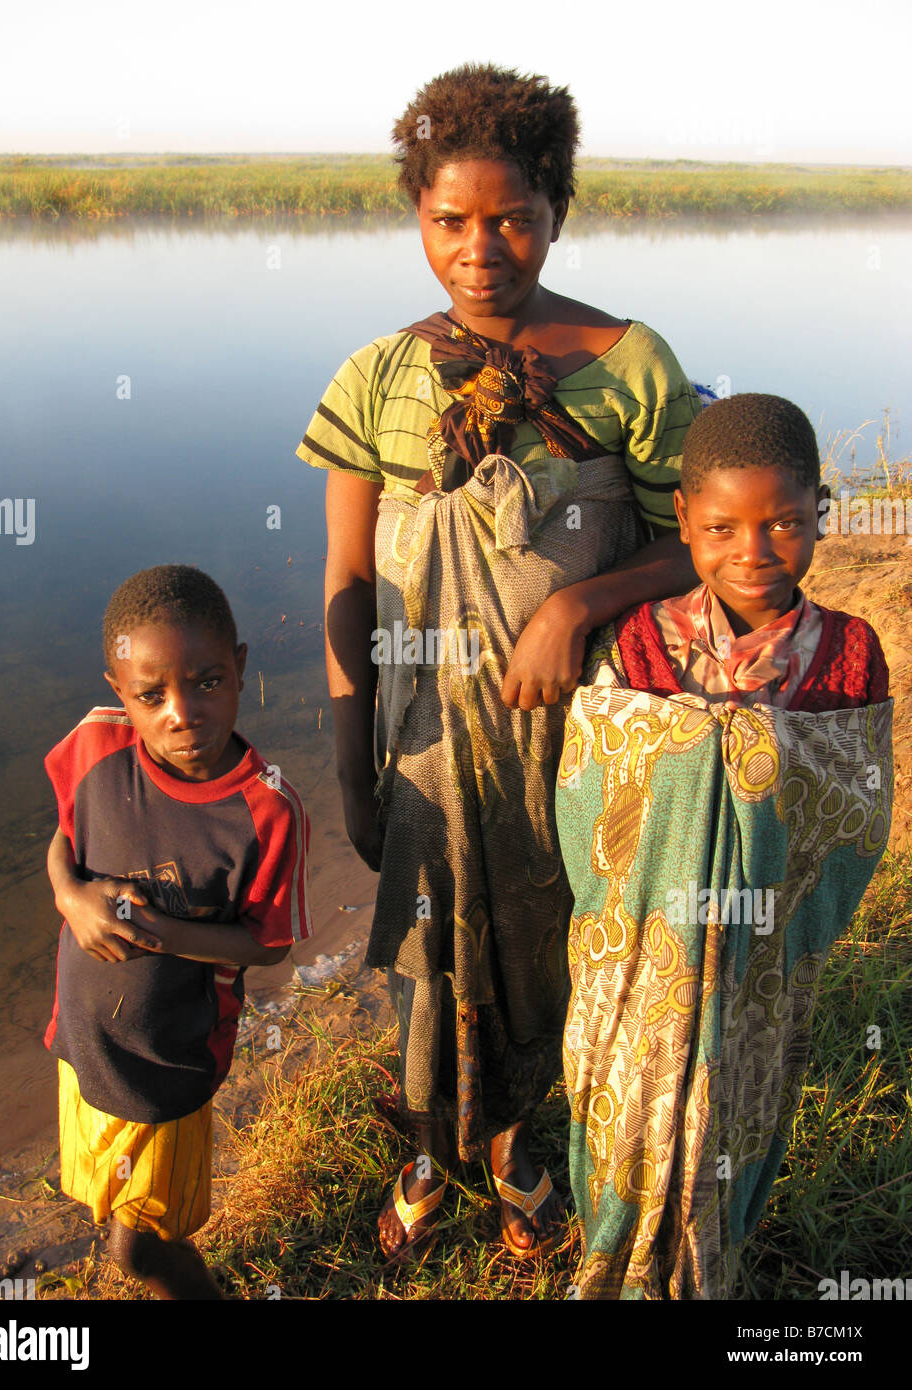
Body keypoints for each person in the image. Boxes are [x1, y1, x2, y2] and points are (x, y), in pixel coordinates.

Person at [298, 63, 703, 1260]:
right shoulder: (377, 378)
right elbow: (347, 581)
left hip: (577, 735)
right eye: (449, 222)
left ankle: (517, 1142)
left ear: (557, 208)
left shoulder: (629, 363)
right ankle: (431, 1146)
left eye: (512, 217)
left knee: (556, 936)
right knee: (429, 943)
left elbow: (700, 542)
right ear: (416, 215)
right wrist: (345, 760)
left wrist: (573, 605)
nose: (481, 249)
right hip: (423, 742)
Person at [557, 394, 893, 1298]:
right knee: (625, 1115)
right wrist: (703, 760)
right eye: (723, 528)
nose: (754, 551)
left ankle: (711, 1267)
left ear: (820, 514)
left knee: (734, 1119)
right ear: (685, 523)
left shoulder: (850, 655)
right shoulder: (637, 645)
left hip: (759, 956)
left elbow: (856, 813)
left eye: (784, 523)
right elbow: (589, 796)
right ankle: (615, 1261)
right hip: (640, 951)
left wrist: (748, 765)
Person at [44, 564, 311, 1299]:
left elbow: (267, 942)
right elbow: (64, 841)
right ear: (118, 691)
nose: (181, 714)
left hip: (170, 1059)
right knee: (110, 1210)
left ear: (242, 669)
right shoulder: (98, 750)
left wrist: (151, 928)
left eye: (207, 681)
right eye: (150, 695)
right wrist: (72, 897)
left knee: (141, 1249)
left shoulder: (265, 811)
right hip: (86, 1045)